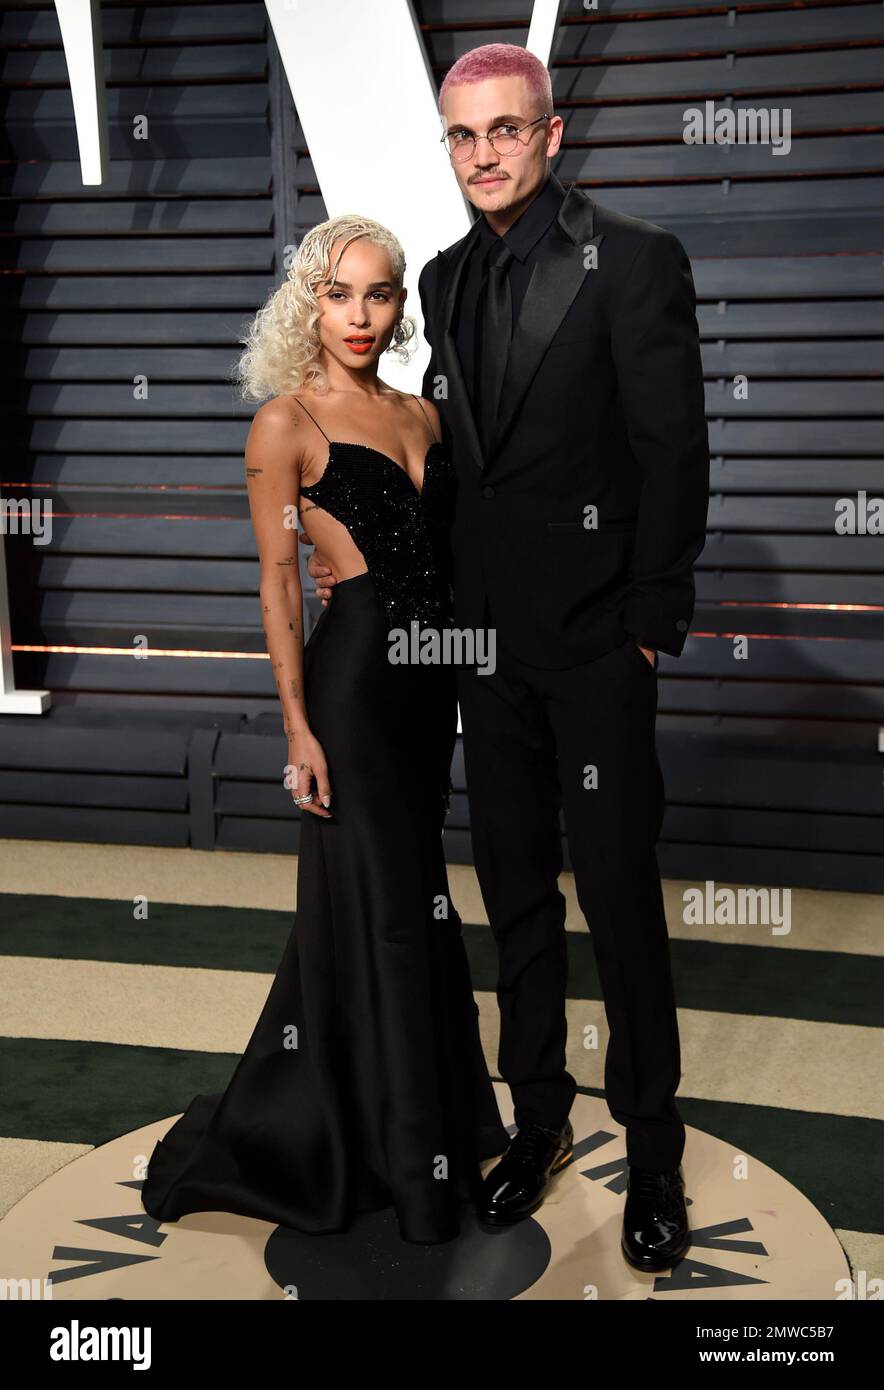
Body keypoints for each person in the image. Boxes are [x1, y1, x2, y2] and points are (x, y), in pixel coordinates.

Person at [307, 44, 710, 1270]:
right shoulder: (440, 275)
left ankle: (651, 1151)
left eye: (502, 131)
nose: (482, 153)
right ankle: (536, 1118)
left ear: (547, 133)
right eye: (461, 136)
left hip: (596, 649)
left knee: (621, 902)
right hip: (484, 654)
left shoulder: (632, 261)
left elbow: (673, 455)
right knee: (517, 896)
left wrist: (646, 628)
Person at [140, 214, 509, 1247]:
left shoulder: (424, 416)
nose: (359, 313)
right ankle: (406, 1164)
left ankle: (422, 1125)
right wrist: (297, 728)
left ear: (399, 308)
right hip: (351, 692)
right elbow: (276, 584)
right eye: (340, 292)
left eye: (379, 293)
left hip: (430, 689)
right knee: (391, 909)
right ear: (312, 300)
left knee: (416, 906)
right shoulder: (284, 424)